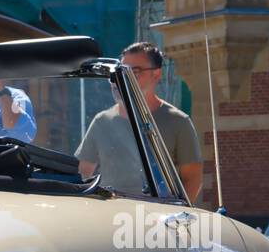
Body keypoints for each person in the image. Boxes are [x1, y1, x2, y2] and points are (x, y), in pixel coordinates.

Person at [76, 41, 203, 202]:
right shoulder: (102, 121)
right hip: (109, 217)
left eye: (134, 72)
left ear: (156, 74)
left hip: (156, 218)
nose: (119, 81)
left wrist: (173, 218)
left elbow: (192, 179)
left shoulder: (179, 122)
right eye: (118, 73)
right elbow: (82, 172)